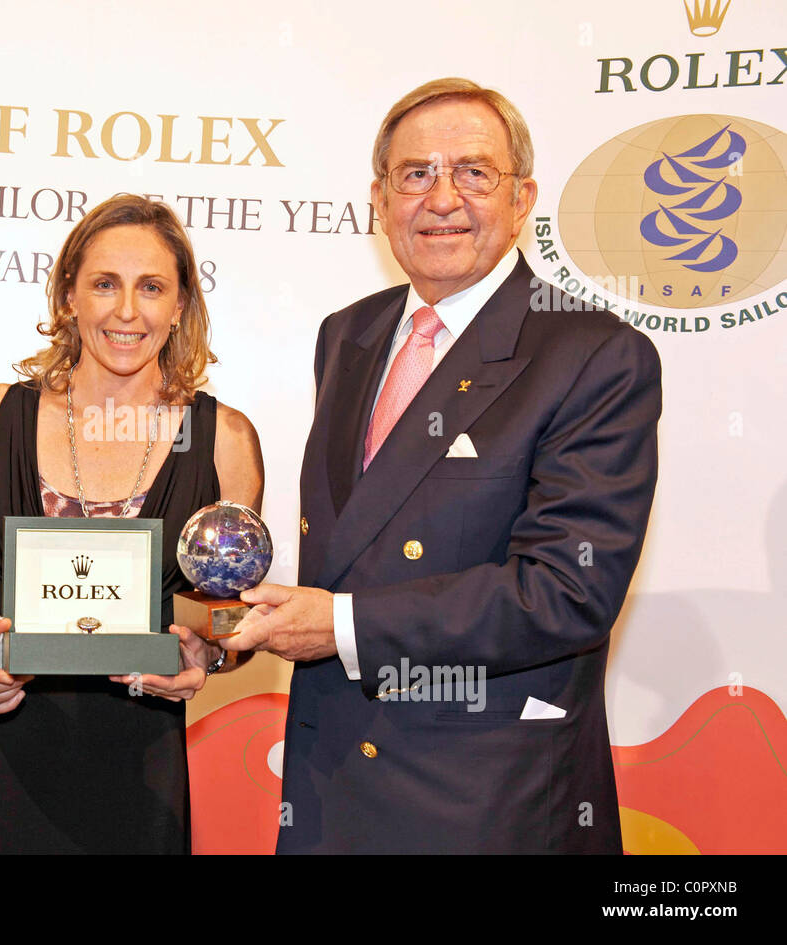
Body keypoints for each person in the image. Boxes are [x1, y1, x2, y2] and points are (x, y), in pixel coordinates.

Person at [221, 78, 662, 853]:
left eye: (474, 172)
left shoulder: (592, 353)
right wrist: (217, 627)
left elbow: (567, 591)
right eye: (415, 173)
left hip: (484, 799)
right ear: (379, 198)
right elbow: (354, 547)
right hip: (332, 778)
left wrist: (343, 624)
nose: (442, 197)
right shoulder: (347, 335)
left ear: (523, 197)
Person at [0, 194, 264, 854]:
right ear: (68, 294)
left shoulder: (225, 441)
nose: (127, 310)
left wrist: (210, 652)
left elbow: (230, 614)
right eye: (104, 283)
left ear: (181, 303)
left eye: (151, 287)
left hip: (141, 773)